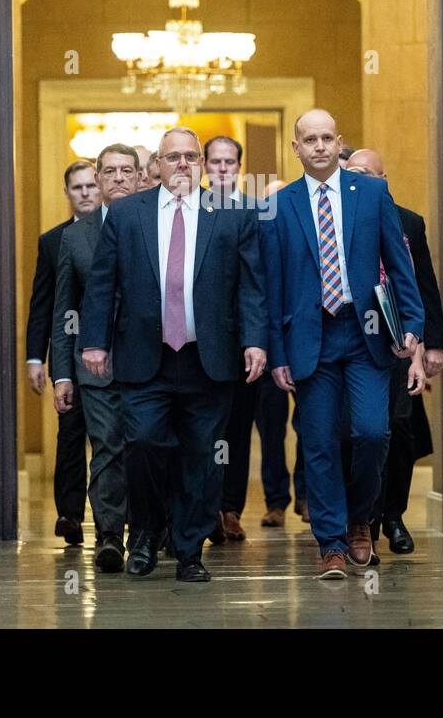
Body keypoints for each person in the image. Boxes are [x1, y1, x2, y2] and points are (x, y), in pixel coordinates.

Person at [80, 128, 267, 583]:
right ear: (156, 167)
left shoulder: (231, 214)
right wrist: (94, 341)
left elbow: (251, 285)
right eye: (173, 157)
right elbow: (104, 282)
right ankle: (143, 535)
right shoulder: (126, 215)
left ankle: (189, 549)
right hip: (145, 355)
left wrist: (255, 340)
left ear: (201, 163)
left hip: (210, 357)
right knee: (143, 444)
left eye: (191, 157)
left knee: (201, 457)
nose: (183, 165)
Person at [261, 110, 424, 579]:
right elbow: (272, 285)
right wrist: (276, 352)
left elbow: (397, 262)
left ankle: (360, 518)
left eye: (326, 138)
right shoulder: (282, 204)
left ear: (339, 143)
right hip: (309, 340)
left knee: (372, 433)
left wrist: (413, 327)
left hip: (366, 332)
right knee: (319, 442)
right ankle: (331, 541)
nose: (318, 146)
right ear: (296, 148)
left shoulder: (371, 193)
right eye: (308, 139)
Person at [346, 148, 443, 554]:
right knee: (363, 434)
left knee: (400, 431)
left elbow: (423, 284)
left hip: (402, 346)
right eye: (355, 173)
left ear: (383, 180)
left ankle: (393, 516)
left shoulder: (408, 222)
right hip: (356, 345)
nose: (363, 181)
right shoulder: (336, 222)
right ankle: (363, 519)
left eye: (371, 175)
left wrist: (432, 344)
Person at [51, 145, 140, 572]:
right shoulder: (76, 235)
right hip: (94, 364)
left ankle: (149, 530)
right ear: (98, 180)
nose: (119, 179)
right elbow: (63, 309)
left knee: (148, 448)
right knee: (106, 446)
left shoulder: (158, 224)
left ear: (141, 177)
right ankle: (109, 536)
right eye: (110, 172)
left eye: (127, 171)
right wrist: (61, 374)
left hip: (152, 363)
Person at [25, 159, 100, 545]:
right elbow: (44, 303)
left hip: (111, 356)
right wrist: (36, 357)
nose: (85, 193)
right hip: (69, 354)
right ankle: (70, 514)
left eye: (91, 185)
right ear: (67, 193)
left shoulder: (116, 232)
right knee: (70, 435)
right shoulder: (53, 240)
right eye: (77, 187)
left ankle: (112, 518)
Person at [203, 135, 272, 538]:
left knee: (237, 429)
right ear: (205, 166)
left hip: (243, 340)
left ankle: (230, 510)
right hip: (198, 341)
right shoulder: (190, 208)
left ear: (240, 167)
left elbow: (259, 281)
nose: (223, 168)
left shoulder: (257, 213)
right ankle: (203, 508)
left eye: (230, 161)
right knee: (202, 429)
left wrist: (258, 339)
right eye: (216, 161)